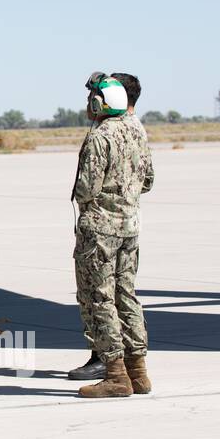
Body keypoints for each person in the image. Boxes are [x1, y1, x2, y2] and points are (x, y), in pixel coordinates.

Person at [69, 72, 155, 381]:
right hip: (130, 226)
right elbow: (148, 180)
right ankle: (138, 372)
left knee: (100, 298)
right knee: (126, 294)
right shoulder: (136, 131)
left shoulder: (100, 135)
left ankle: (115, 375)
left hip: (100, 230)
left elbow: (85, 189)